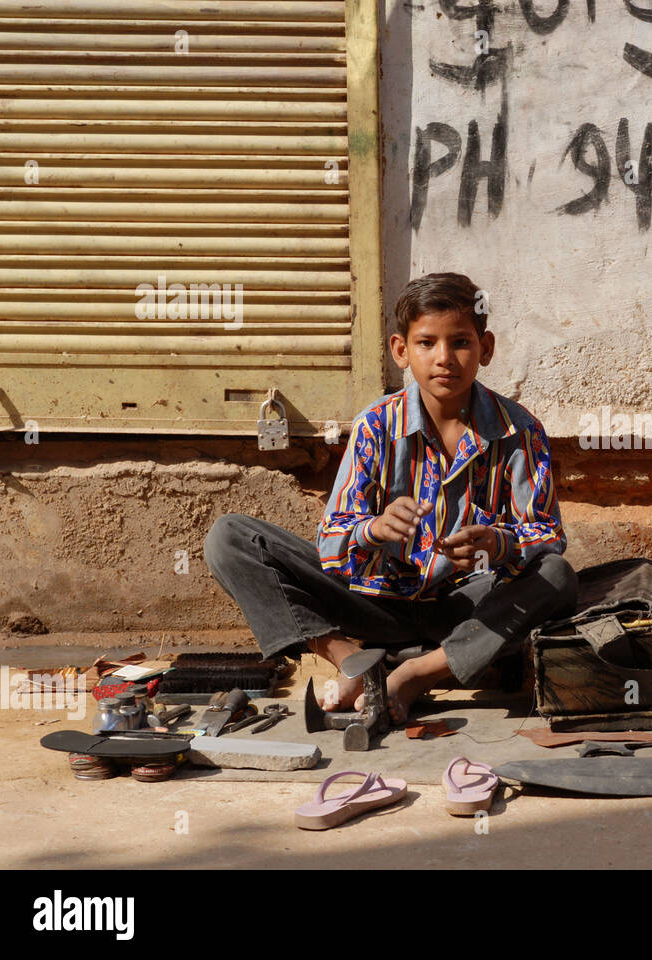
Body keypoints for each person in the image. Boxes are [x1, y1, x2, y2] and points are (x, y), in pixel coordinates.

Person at [204, 272, 578, 722]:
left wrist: (498, 543)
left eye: (460, 342)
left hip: (468, 607)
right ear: (401, 350)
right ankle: (355, 662)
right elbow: (331, 542)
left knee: (557, 576)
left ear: (487, 348)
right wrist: (373, 529)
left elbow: (546, 535)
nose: (444, 358)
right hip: (373, 600)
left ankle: (418, 671)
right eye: (426, 343)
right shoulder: (375, 426)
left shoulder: (519, 430)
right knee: (230, 538)